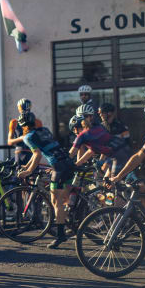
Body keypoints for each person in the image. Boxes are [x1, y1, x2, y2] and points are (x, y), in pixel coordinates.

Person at [17, 112, 75, 249]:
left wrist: (28, 171)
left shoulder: (28, 137)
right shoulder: (44, 130)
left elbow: (37, 154)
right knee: (65, 199)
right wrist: (28, 165)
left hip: (58, 167)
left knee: (56, 202)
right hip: (67, 162)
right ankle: (74, 222)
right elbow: (38, 151)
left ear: (23, 126)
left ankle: (60, 235)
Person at [69, 104, 131, 179]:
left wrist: (101, 162)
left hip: (115, 155)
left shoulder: (98, 128)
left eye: (85, 116)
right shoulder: (94, 129)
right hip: (112, 154)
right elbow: (89, 150)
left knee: (106, 181)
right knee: (103, 181)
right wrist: (78, 164)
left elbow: (101, 147)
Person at [8, 98, 43, 166]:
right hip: (21, 152)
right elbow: (9, 142)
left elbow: (40, 140)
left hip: (33, 152)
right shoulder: (14, 122)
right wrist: (22, 138)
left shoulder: (37, 122)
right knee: (22, 173)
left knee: (33, 174)